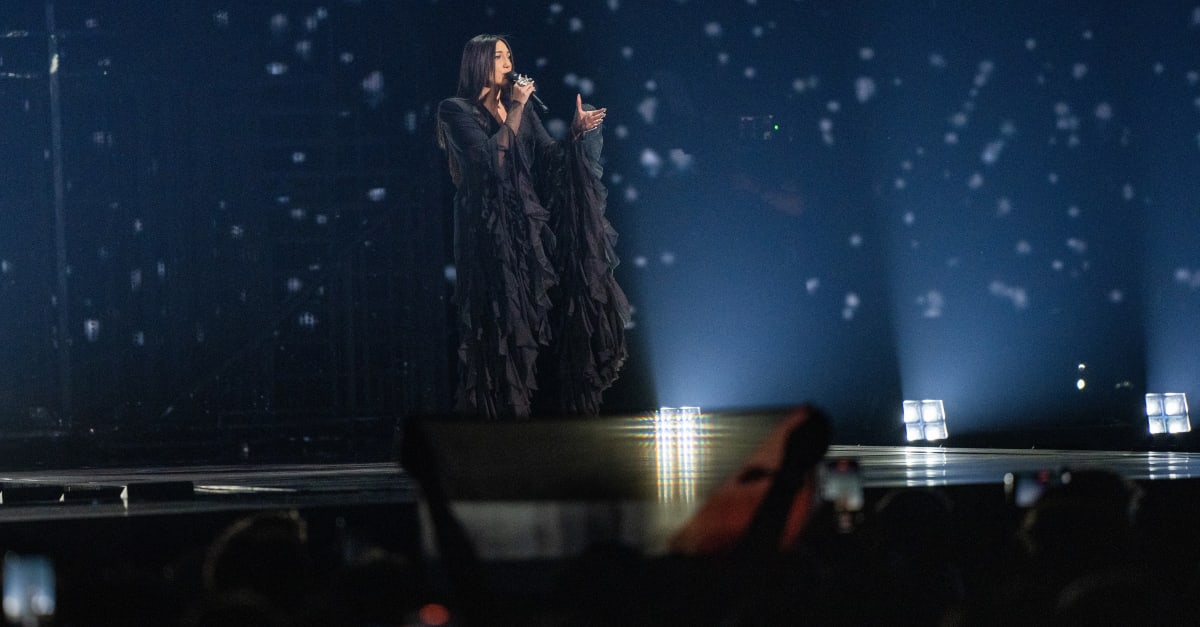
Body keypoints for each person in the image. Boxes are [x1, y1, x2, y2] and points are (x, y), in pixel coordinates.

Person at [436, 34, 629, 418]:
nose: (508, 63)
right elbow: (492, 164)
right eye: (498, 56)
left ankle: (556, 417)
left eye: (510, 55)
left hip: (530, 231)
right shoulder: (455, 110)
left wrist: (576, 133)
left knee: (548, 318)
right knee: (503, 326)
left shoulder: (519, 108)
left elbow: (551, 159)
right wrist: (519, 107)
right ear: (477, 63)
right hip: (488, 232)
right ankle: (503, 423)